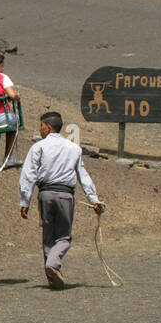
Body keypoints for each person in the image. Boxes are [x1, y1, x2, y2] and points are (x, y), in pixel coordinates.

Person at [17, 111, 103, 289]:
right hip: (65, 195)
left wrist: (25, 201)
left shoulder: (38, 147)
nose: (40, 130)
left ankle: (52, 274)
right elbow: (83, 176)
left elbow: (28, 175)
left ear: (48, 127)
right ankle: (53, 266)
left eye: (41, 126)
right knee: (64, 237)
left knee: (48, 236)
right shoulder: (74, 148)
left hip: (45, 194)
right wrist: (94, 199)